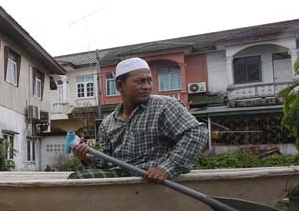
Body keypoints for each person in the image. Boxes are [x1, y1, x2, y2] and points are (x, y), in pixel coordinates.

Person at [71, 57, 206, 183]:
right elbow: (106, 160)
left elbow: (196, 133)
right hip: (121, 178)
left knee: (79, 178)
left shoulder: (163, 106)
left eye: (149, 80)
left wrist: (167, 168)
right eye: (140, 81)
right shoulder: (108, 123)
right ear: (119, 86)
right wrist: (87, 157)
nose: (147, 86)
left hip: (148, 179)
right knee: (77, 178)